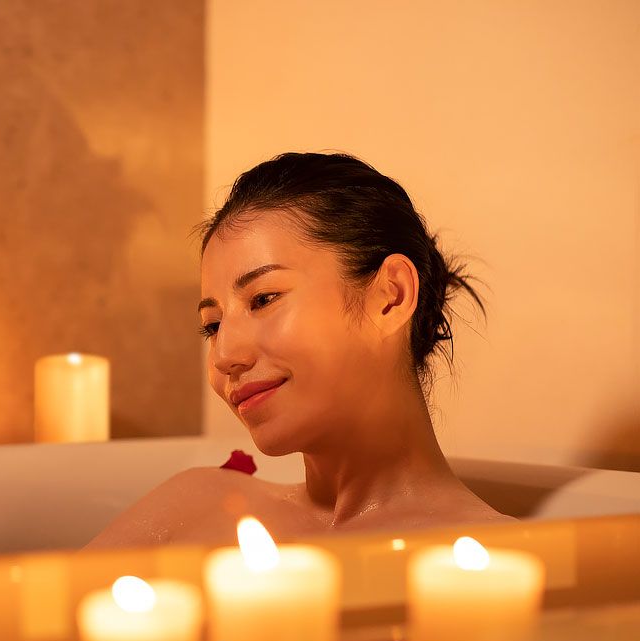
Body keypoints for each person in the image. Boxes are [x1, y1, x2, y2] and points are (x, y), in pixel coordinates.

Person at [84, 151, 514, 549]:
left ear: (391, 296)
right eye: (212, 326)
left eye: (264, 299)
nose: (223, 356)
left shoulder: (491, 562)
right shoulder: (192, 505)